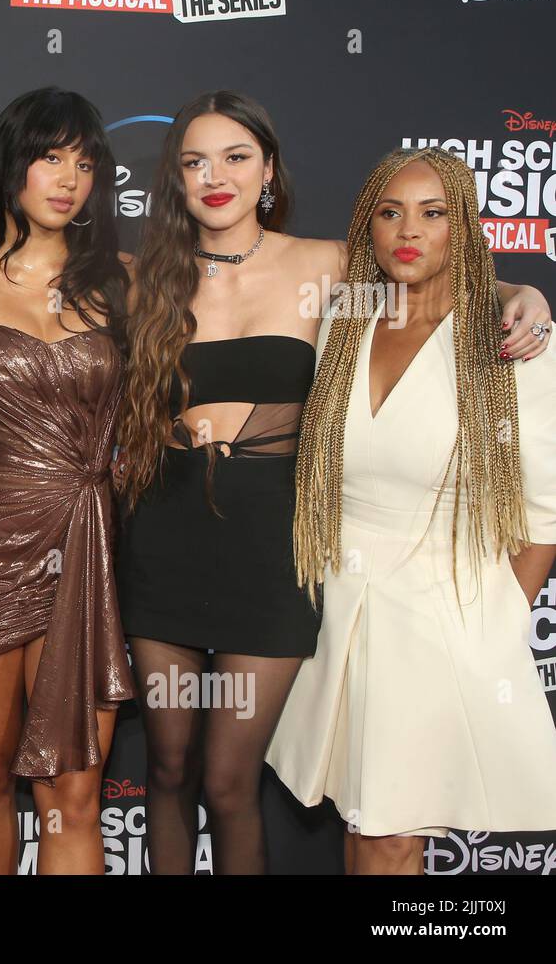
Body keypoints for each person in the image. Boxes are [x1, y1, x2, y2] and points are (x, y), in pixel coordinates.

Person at [113, 90, 552, 875]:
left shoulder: (325, 265)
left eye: (237, 157)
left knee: (228, 778)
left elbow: (433, 277)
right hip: (164, 537)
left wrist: (525, 296)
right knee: (170, 768)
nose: (217, 176)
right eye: (195, 161)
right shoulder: (143, 277)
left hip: (271, 550)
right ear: (174, 180)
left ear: (269, 170)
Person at [267, 146, 556, 875]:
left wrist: (492, 618)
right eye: (390, 212)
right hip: (344, 606)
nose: (409, 230)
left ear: (463, 226)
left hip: (443, 614)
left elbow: (545, 510)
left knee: (389, 831)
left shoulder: (511, 341)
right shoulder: (345, 325)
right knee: (367, 825)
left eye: (433, 213)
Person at [0, 87, 133, 875]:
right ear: (12, 161)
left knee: (72, 788)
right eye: (50, 156)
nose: (68, 178)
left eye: (84, 163)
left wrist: (505, 292)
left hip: (86, 544)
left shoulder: (124, 279)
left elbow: (293, 283)